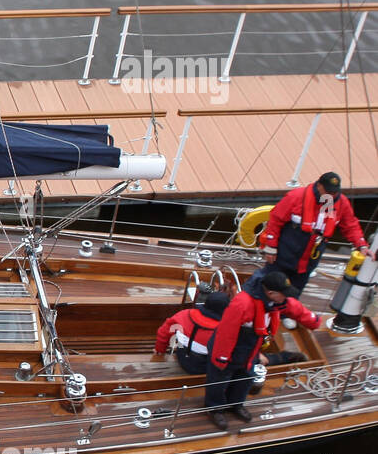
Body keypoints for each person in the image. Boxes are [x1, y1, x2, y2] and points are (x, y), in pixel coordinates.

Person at [205, 271, 320, 429]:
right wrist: (221, 358)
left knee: (245, 377)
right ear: (271, 293)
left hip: (250, 348)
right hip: (228, 348)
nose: (286, 297)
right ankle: (215, 408)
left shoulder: (275, 301)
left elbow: (295, 308)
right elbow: (226, 332)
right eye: (283, 294)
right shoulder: (242, 303)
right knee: (218, 380)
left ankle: (236, 404)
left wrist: (313, 320)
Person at [261, 172, 370, 291]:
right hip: (284, 254)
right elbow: (276, 220)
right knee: (270, 288)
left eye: (334, 192)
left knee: (294, 292)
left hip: (308, 260)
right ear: (319, 186)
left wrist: (361, 245)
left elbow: (351, 226)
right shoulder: (296, 197)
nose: (331, 195)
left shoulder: (342, 203)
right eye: (328, 191)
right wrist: (271, 248)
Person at [154, 291, 230, 374]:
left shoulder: (184, 315)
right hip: (204, 368)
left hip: (182, 359)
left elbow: (163, 332)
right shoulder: (224, 330)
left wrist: (160, 350)